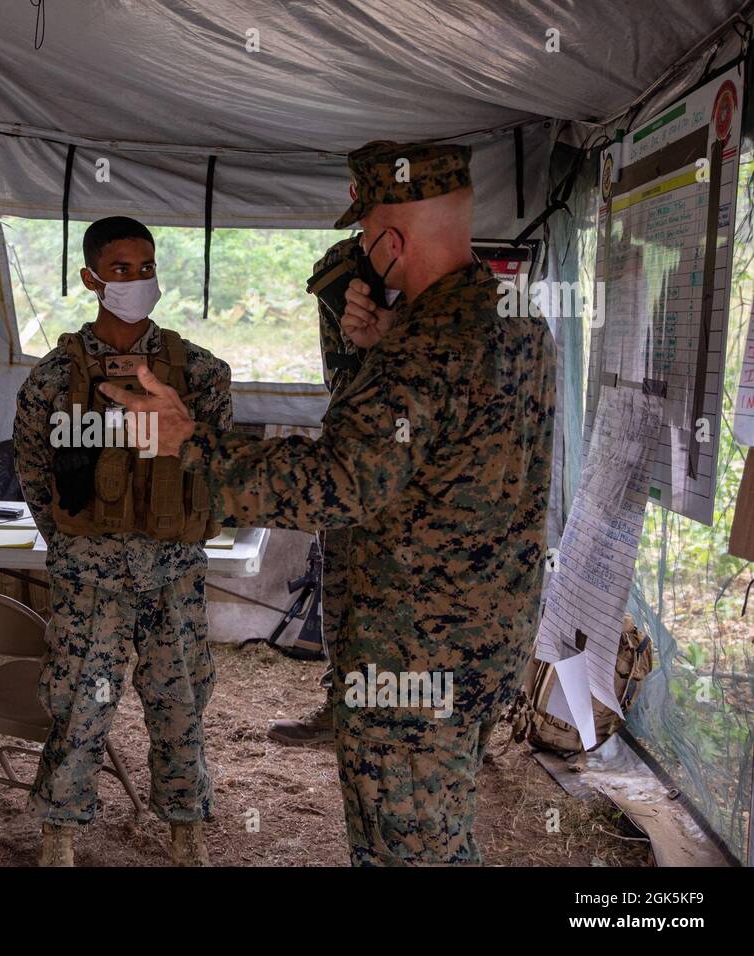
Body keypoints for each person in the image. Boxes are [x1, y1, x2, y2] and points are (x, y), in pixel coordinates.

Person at [103, 142, 556, 865]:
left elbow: (338, 482)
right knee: (444, 822)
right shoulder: (520, 322)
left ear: (390, 240)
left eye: (365, 232)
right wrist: (388, 338)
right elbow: (452, 427)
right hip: (484, 641)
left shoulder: (420, 355)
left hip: (411, 653)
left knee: (408, 849)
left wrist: (191, 443)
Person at [14, 216, 232, 867]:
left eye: (145, 268)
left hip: (173, 574)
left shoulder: (199, 372)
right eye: (120, 269)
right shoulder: (54, 379)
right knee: (81, 704)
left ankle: (185, 824)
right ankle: (60, 831)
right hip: (90, 580)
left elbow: (219, 465)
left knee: (180, 704)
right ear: (90, 278)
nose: (136, 281)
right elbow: (34, 475)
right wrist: (79, 546)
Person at [268, 236, 398, 746]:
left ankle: (414, 719)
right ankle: (344, 707)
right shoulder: (344, 266)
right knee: (341, 584)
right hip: (350, 450)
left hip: (418, 464)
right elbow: (329, 278)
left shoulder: (449, 283)